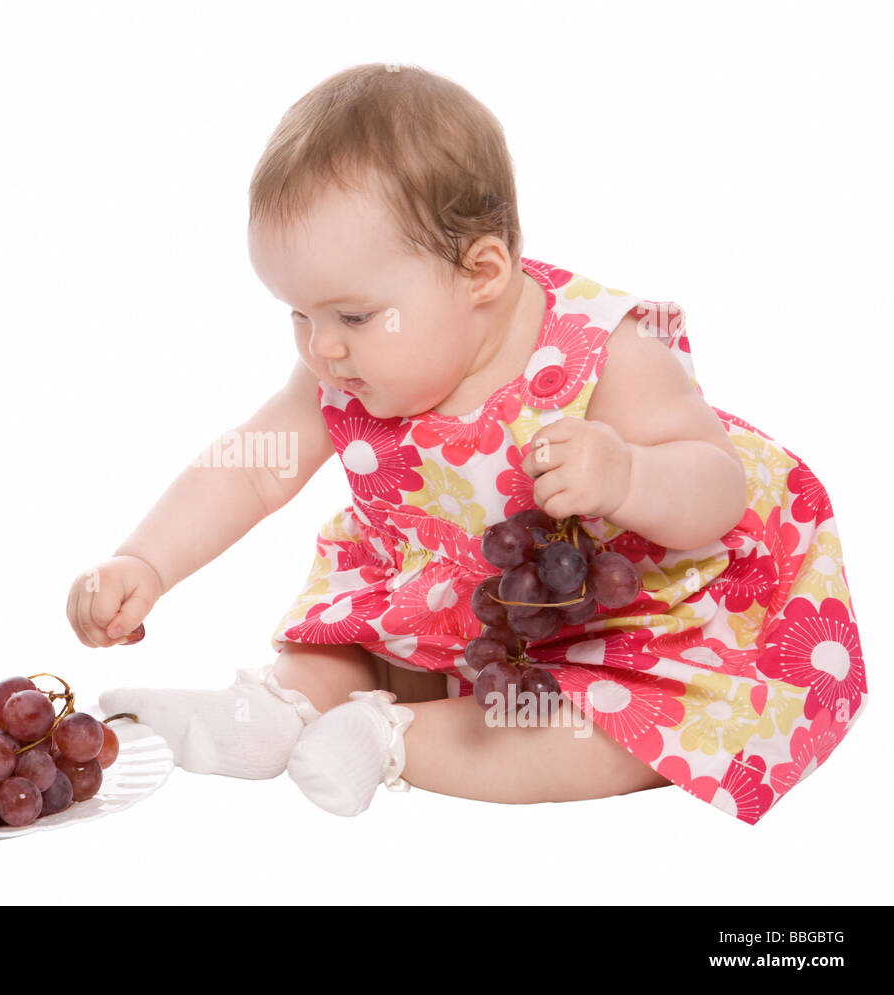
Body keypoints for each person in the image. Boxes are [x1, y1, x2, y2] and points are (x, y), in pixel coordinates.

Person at [67, 63, 867, 823]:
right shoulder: (345, 371)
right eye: (297, 315)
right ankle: (276, 709)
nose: (322, 349)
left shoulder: (609, 353)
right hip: (450, 613)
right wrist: (147, 561)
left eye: (350, 315)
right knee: (344, 642)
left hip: (615, 627)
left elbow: (716, 490)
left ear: (483, 271)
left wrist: (627, 476)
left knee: (624, 738)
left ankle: (393, 740)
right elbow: (248, 470)